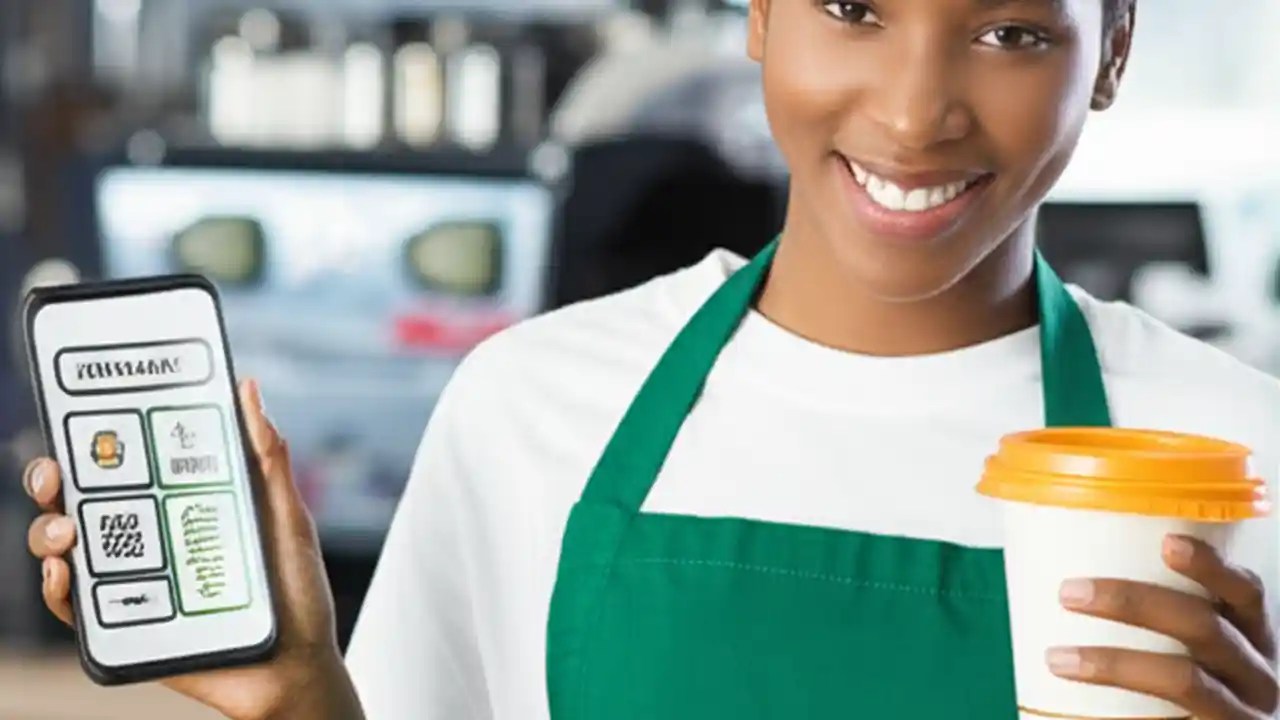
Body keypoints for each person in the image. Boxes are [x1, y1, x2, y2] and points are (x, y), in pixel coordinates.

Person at [21, 0, 1280, 718]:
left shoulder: (1238, 460)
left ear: (1111, 49)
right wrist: (303, 695)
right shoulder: (533, 406)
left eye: (1008, 30)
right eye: (852, 8)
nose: (910, 111)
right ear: (759, 13)